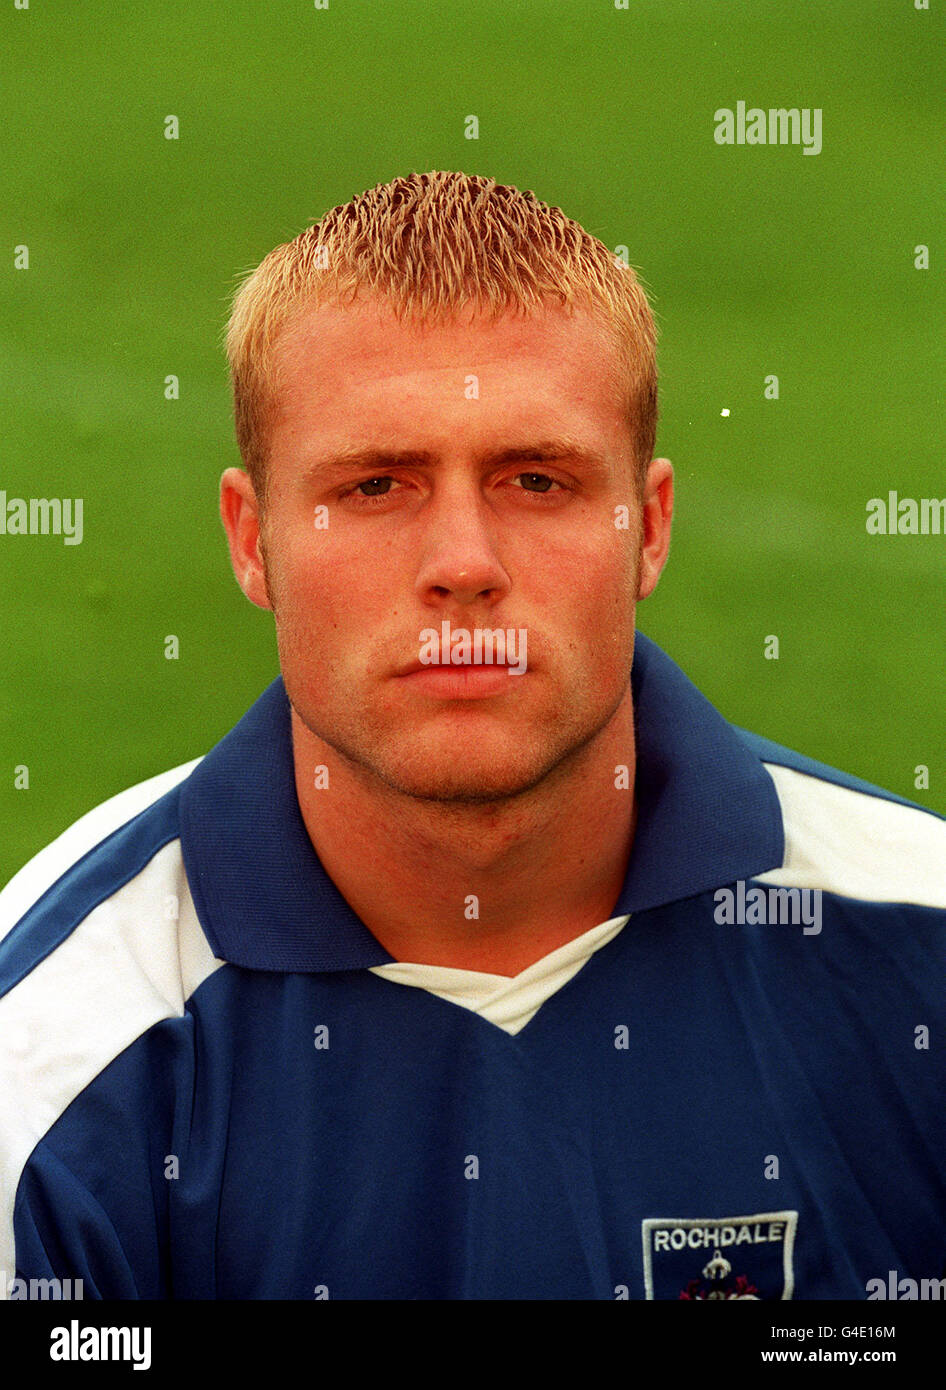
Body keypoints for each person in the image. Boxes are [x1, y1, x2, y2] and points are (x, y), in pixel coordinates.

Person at [1, 171, 943, 1302]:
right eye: (375, 484)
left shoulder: (919, 955)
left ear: (646, 528)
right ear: (252, 542)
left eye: (536, 479)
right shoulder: (47, 1051)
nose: (463, 562)